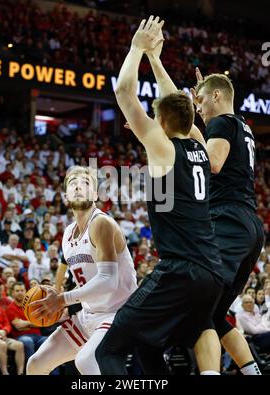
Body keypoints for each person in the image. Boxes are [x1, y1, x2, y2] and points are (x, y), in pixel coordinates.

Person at [96, 16, 224, 375]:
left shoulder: (163, 147)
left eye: (156, 119)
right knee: (147, 346)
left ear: (162, 123)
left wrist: (138, 47)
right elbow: (176, 103)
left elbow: (124, 93)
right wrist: (157, 59)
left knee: (109, 351)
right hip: (212, 273)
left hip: (181, 271)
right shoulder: (198, 140)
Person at [25, 166, 137, 375]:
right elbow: (83, 276)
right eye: (72, 183)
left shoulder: (101, 222)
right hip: (89, 315)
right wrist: (57, 294)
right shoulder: (68, 233)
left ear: (95, 194)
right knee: (35, 364)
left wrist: (63, 299)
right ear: (65, 196)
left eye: (85, 182)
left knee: (86, 361)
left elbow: (108, 280)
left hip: (118, 313)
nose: (78, 186)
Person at [192, 65, 264, 374]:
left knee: (196, 306)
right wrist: (198, 109)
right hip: (247, 224)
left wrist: (172, 138)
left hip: (228, 221)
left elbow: (214, 162)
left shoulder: (221, 122)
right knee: (216, 315)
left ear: (217, 96)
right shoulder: (240, 124)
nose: (200, 111)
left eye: (202, 103)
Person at [6, 282, 47, 361]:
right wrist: (33, 322)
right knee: (27, 341)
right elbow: (18, 326)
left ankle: (53, 373)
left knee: (47, 340)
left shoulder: (33, 305)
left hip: (37, 336)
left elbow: (41, 323)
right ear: (13, 293)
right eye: (17, 291)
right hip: (20, 336)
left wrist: (25, 323)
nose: (20, 293)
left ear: (26, 292)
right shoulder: (10, 308)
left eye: (22, 290)